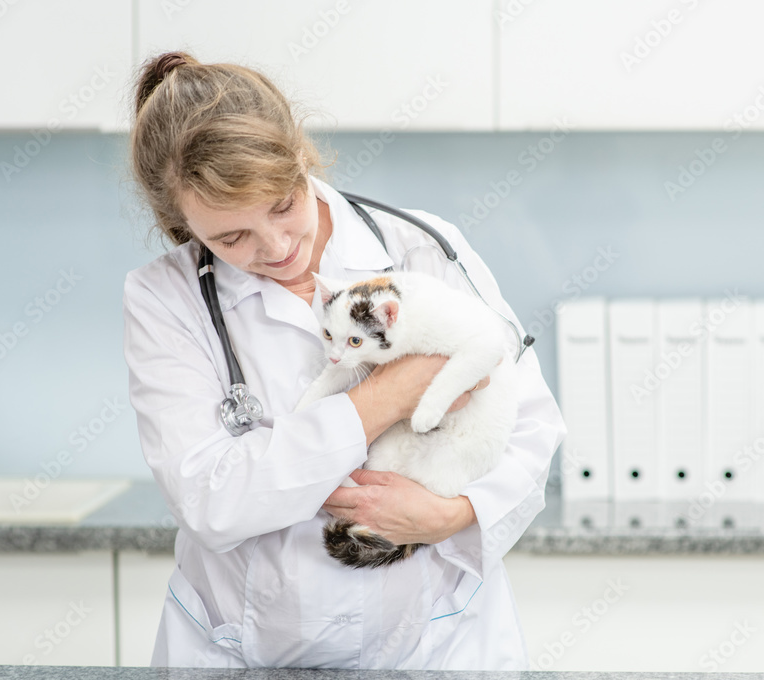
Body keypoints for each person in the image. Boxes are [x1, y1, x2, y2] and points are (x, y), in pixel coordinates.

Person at [122, 51, 566, 670]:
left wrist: (452, 516)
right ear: (181, 223)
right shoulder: (164, 298)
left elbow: (532, 425)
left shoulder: (421, 246)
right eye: (230, 238)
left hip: (437, 645)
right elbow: (211, 499)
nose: (275, 248)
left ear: (303, 159)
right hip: (242, 652)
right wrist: (388, 396)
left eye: (283, 205)